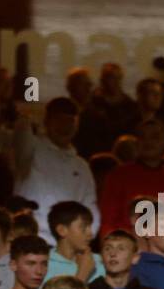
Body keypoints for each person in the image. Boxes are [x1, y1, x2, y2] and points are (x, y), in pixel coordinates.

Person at [12, 98, 100, 243]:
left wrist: (84, 238)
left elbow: (90, 206)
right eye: (59, 120)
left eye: (70, 121)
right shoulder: (30, 151)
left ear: (77, 125)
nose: (64, 127)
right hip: (30, 242)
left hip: (66, 248)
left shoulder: (82, 166)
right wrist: (25, 116)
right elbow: (21, 132)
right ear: (46, 121)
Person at [96, 117, 164, 237]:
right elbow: (108, 221)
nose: (148, 141)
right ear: (136, 142)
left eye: (154, 137)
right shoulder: (118, 176)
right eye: (142, 137)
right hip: (127, 249)